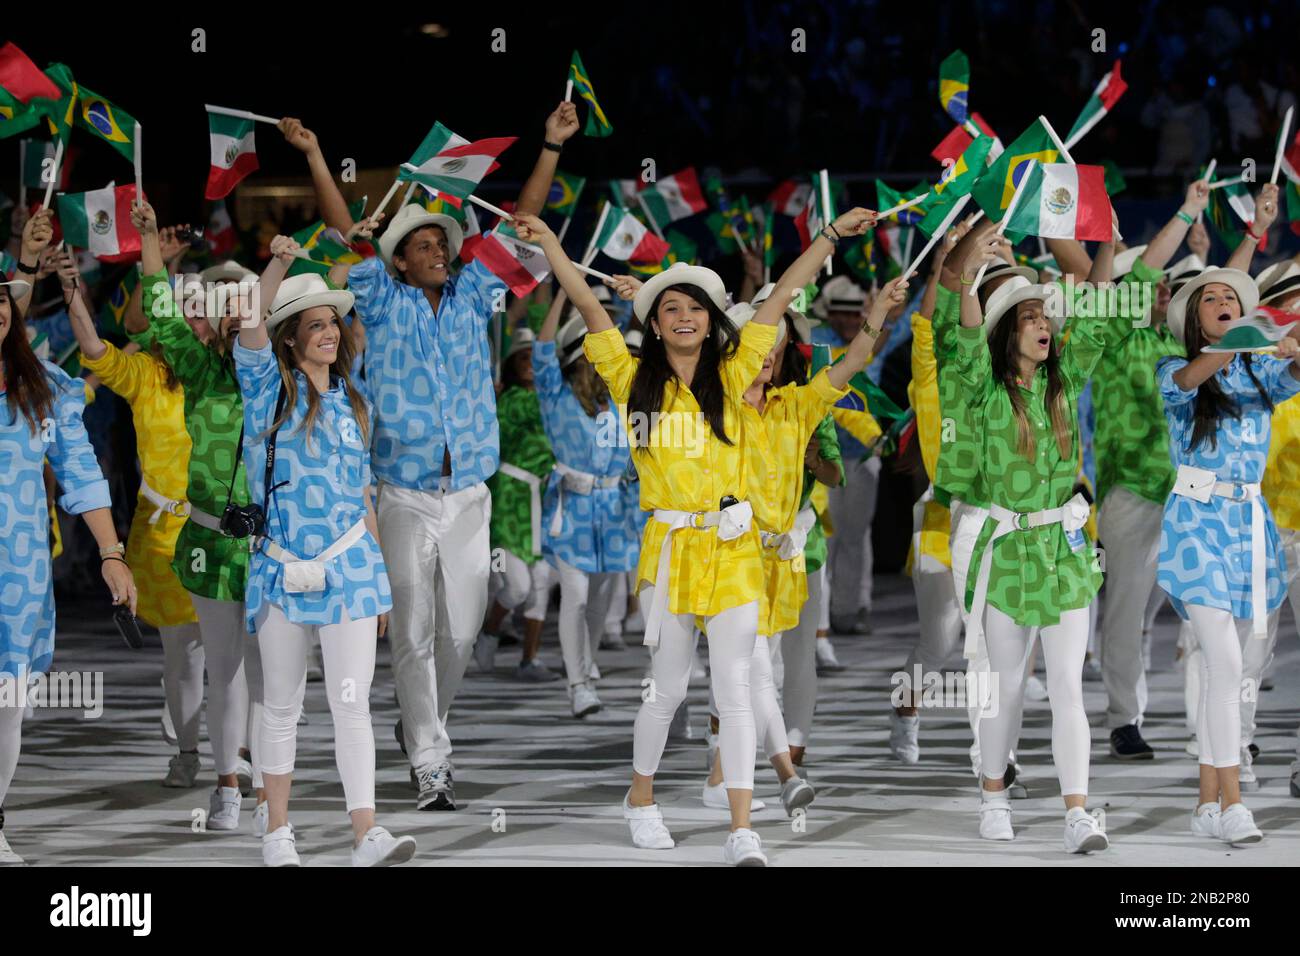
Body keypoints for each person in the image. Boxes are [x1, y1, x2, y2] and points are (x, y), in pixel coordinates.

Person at [516, 203, 879, 866]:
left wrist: (827, 236)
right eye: (670, 310)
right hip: (668, 549)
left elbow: (782, 299)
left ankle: (743, 827)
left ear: (714, 322)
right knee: (669, 687)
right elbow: (589, 308)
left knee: (736, 683)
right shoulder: (631, 380)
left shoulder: (737, 376)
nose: (685, 318)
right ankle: (641, 797)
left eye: (696, 309)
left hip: (735, 549)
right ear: (653, 324)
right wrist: (550, 249)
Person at [291, 103, 580, 810]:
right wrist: (315, 155)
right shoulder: (380, 301)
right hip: (401, 491)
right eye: (422, 244)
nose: (438, 250)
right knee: (413, 631)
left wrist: (549, 146)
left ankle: (422, 724)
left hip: (469, 495)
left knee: (462, 627)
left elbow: (525, 224)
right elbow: (340, 232)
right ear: (397, 260)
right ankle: (429, 759)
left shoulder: (479, 292)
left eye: (442, 243)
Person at [232, 234, 413, 867]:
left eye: (333, 323)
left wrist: (380, 579)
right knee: (281, 703)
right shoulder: (267, 392)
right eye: (314, 325)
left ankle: (366, 833)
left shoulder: (352, 403)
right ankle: (278, 830)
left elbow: (362, 494)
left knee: (350, 701)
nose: (329, 334)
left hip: (354, 568)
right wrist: (280, 262)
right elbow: (250, 322)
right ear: (291, 337)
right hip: (281, 567)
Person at [955, 226, 1115, 853]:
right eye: (1028, 316)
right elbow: (965, 327)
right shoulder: (982, 389)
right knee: (1008, 688)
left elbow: (1099, 309)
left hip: (1065, 552)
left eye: (1046, 313)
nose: (1043, 323)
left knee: (1070, 688)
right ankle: (993, 794)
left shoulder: (1064, 381)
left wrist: (1105, 245)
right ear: (1004, 331)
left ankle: (1077, 811)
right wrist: (973, 252)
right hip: (1008, 554)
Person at [0, 207, 136, 866]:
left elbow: (82, 477)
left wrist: (112, 554)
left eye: (4, 301)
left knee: (7, 707)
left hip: (18, 575)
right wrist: (24, 262)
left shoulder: (45, 387)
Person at [132, 200, 264, 832]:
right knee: (226, 670)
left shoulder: (282, 378)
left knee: (275, 673)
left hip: (279, 550)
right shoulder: (195, 368)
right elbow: (158, 301)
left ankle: (270, 775)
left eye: (247, 301)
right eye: (226, 302)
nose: (236, 310)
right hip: (212, 545)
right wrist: (149, 239)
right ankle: (227, 782)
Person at [1157, 264, 1300, 846]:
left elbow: (1292, 373)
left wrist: (1290, 344)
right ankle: (1236, 803)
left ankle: (1206, 800)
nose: (1222, 302)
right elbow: (1194, 377)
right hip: (1195, 524)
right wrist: (1246, 334)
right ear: (1195, 318)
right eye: (1210, 299)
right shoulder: (1175, 368)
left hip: (1251, 526)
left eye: (1230, 298)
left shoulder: (1260, 370)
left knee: (1231, 669)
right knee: (1224, 664)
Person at [57, 247, 204, 789]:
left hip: (231, 537)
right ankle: (188, 751)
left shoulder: (237, 373)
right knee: (184, 654)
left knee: (239, 658)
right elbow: (94, 349)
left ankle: (240, 769)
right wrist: (73, 289)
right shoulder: (145, 374)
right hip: (163, 536)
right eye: (182, 311)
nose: (193, 320)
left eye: (200, 311)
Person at [533, 291, 641, 715]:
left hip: (614, 510)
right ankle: (578, 684)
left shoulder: (624, 399)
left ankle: (587, 664)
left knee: (599, 600)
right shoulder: (555, 396)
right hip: (571, 508)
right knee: (575, 596)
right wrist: (562, 293)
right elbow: (542, 351)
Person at [476, 323, 562, 685]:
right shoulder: (507, 400)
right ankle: (489, 631)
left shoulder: (555, 398)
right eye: (522, 357)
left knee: (542, 579)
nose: (529, 363)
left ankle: (530, 658)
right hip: (511, 496)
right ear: (511, 364)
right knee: (517, 586)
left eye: (534, 357)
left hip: (546, 495)